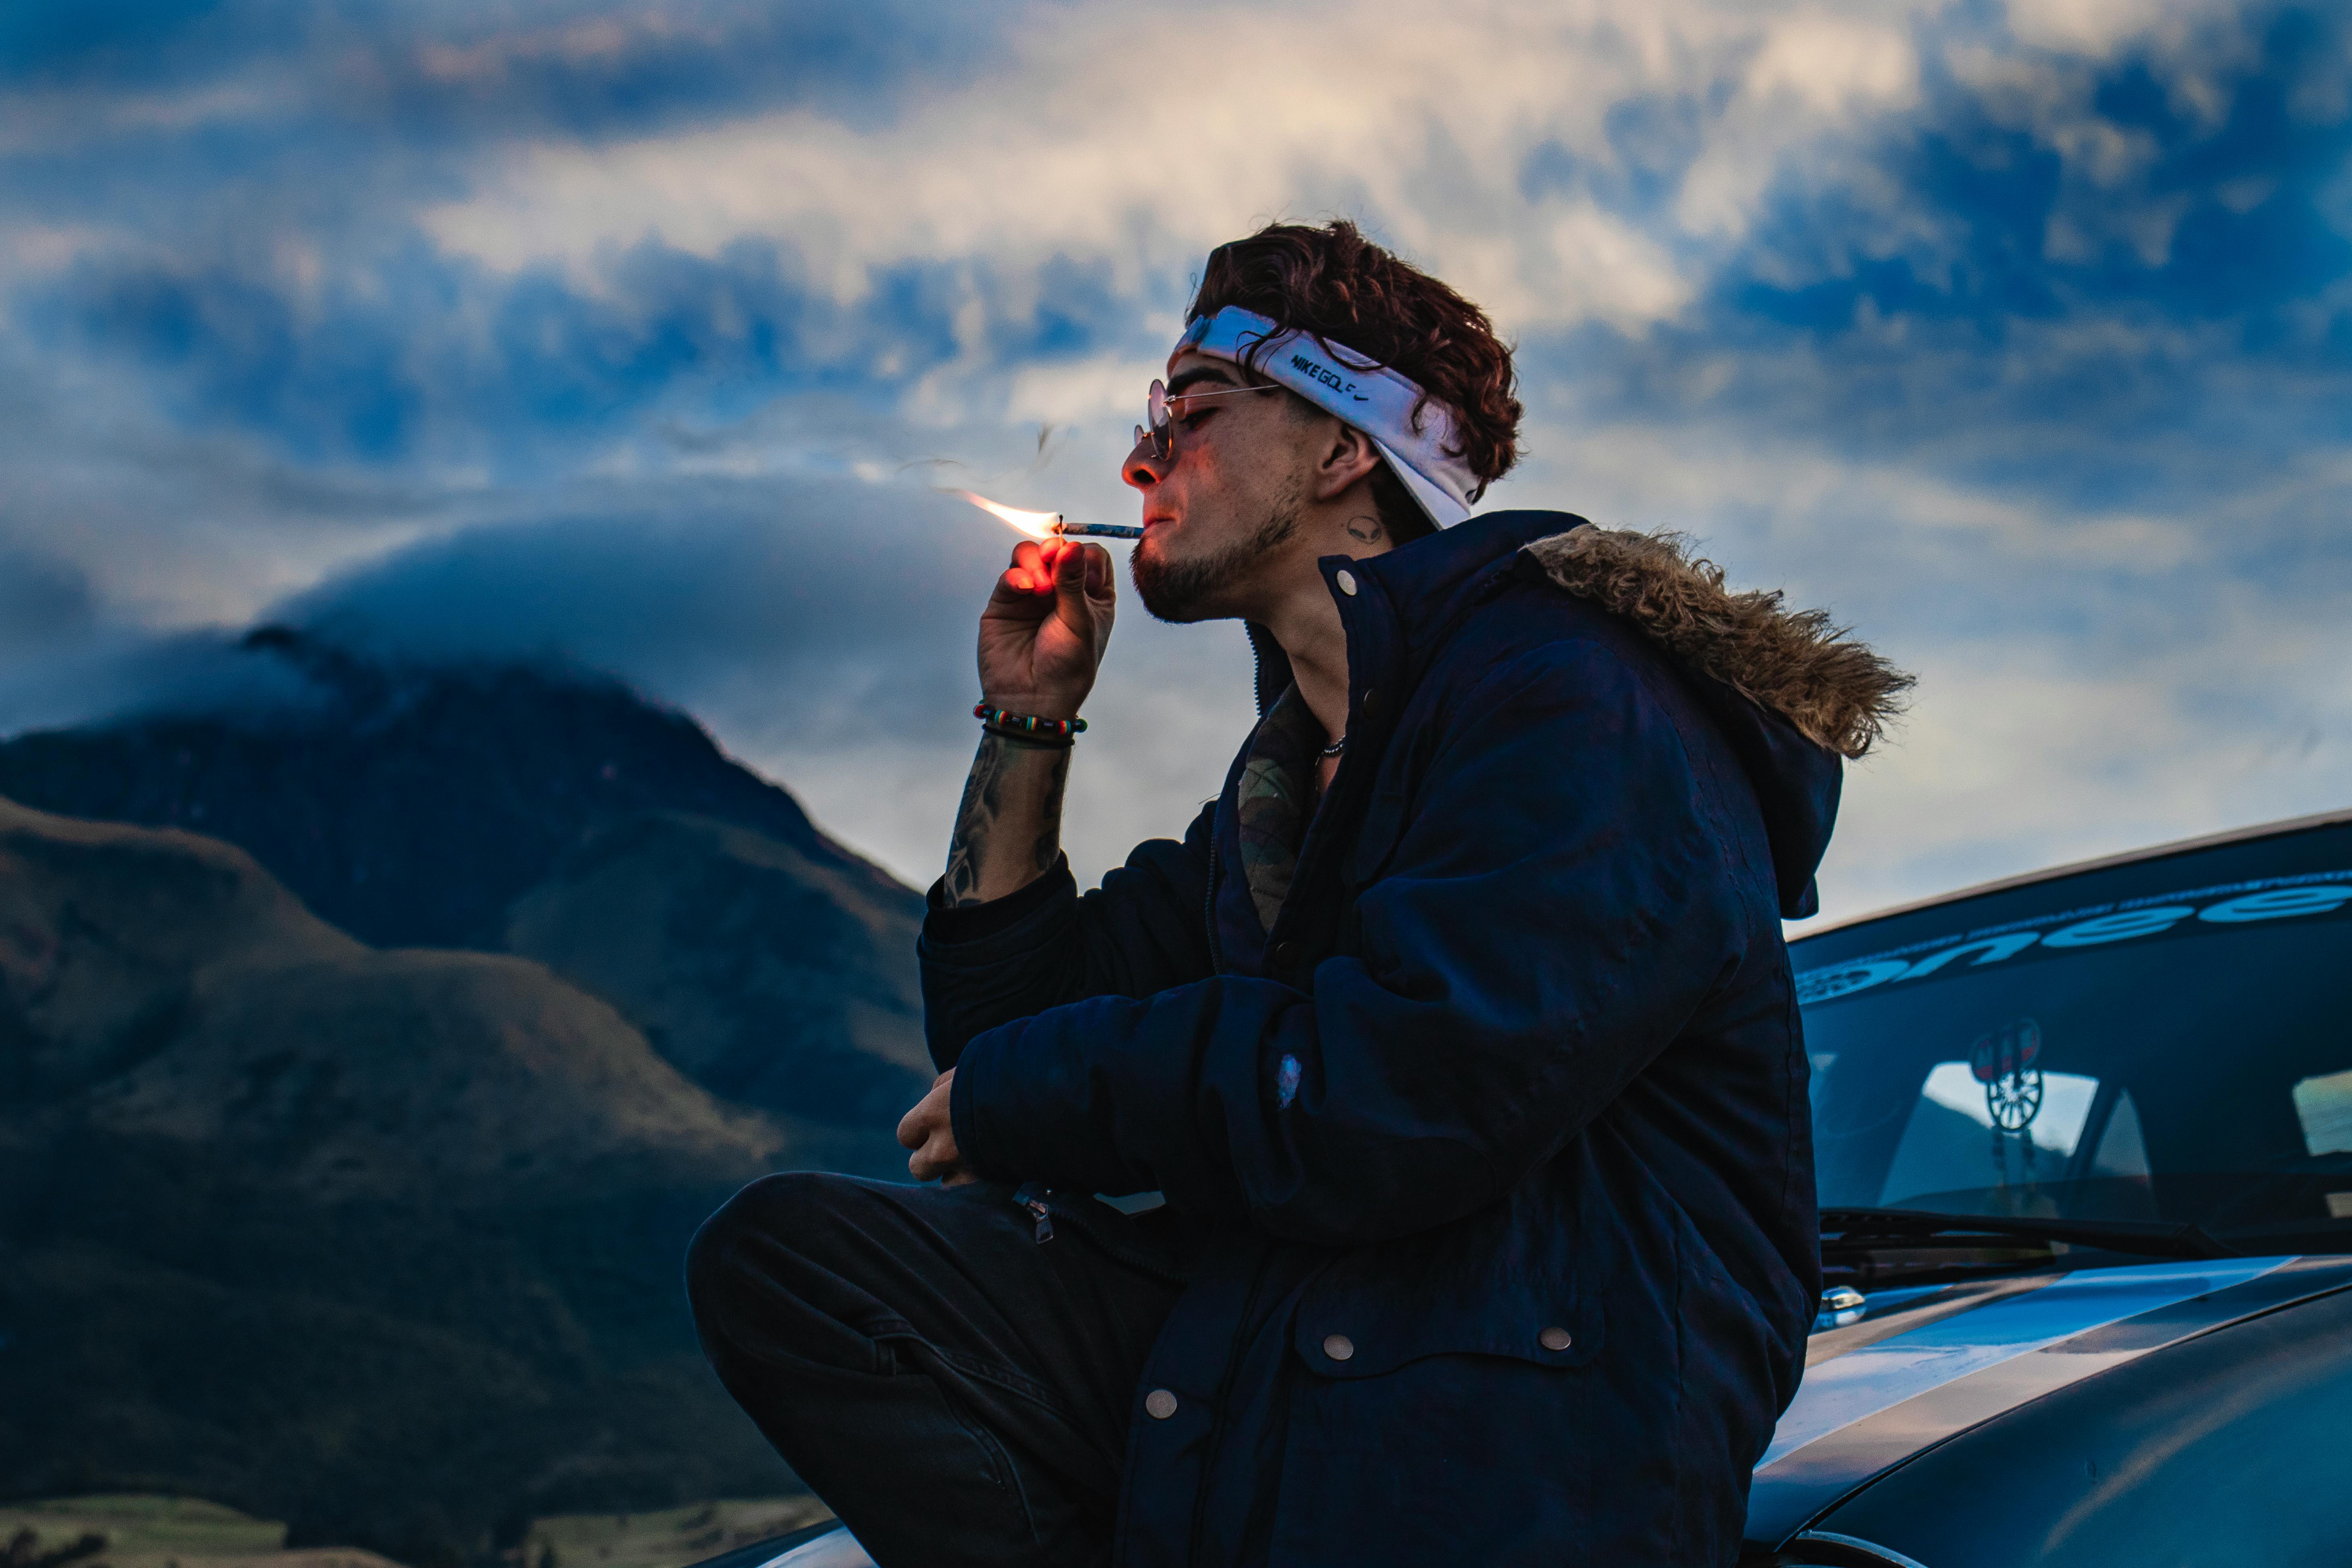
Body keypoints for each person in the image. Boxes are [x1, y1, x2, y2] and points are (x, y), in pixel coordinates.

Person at [687, 220, 1909, 1567]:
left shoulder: (1578, 702)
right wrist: (1028, 721)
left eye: (1194, 409)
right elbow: (998, 1037)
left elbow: (1405, 1088)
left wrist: (1040, 1087)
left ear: (1341, 450)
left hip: (1512, 1431)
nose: (1142, 457)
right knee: (797, 1263)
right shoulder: (1286, 793)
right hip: (1296, 1352)